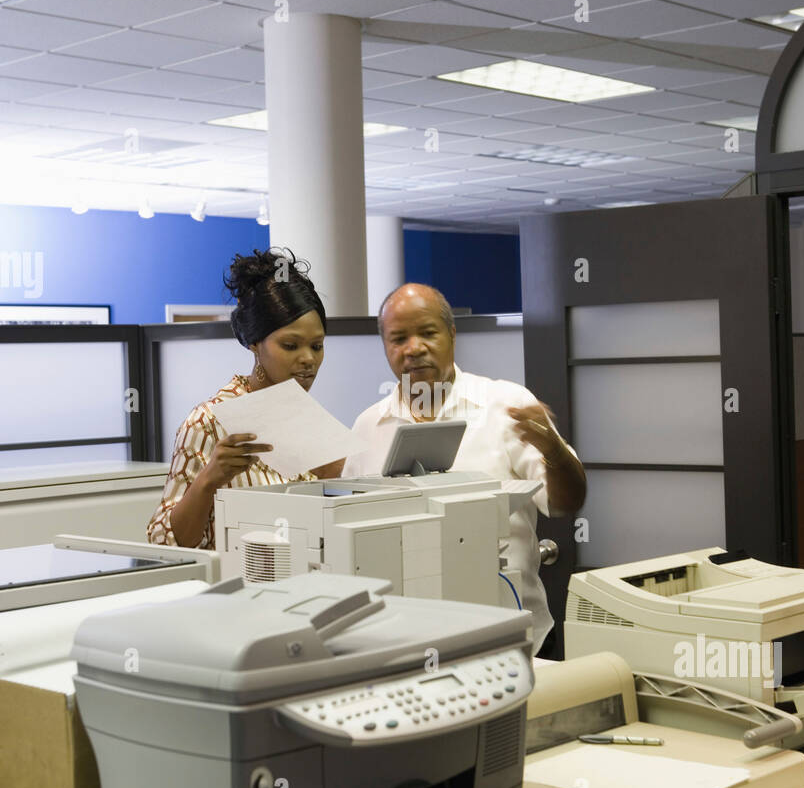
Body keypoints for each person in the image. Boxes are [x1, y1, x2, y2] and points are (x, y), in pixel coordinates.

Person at [342, 283, 586, 653]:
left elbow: (567, 502)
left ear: (452, 335)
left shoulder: (505, 404)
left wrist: (553, 450)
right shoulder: (367, 426)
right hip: (408, 646)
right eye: (398, 338)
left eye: (427, 333)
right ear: (385, 347)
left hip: (517, 640)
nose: (414, 348)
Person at [147, 248, 343, 551]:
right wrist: (208, 480)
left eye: (317, 346)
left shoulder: (313, 423)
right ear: (254, 343)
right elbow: (166, 543)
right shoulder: (209, 422)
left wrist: (338, 483)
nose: (308, 359)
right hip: (232, 590)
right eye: (290, 345)